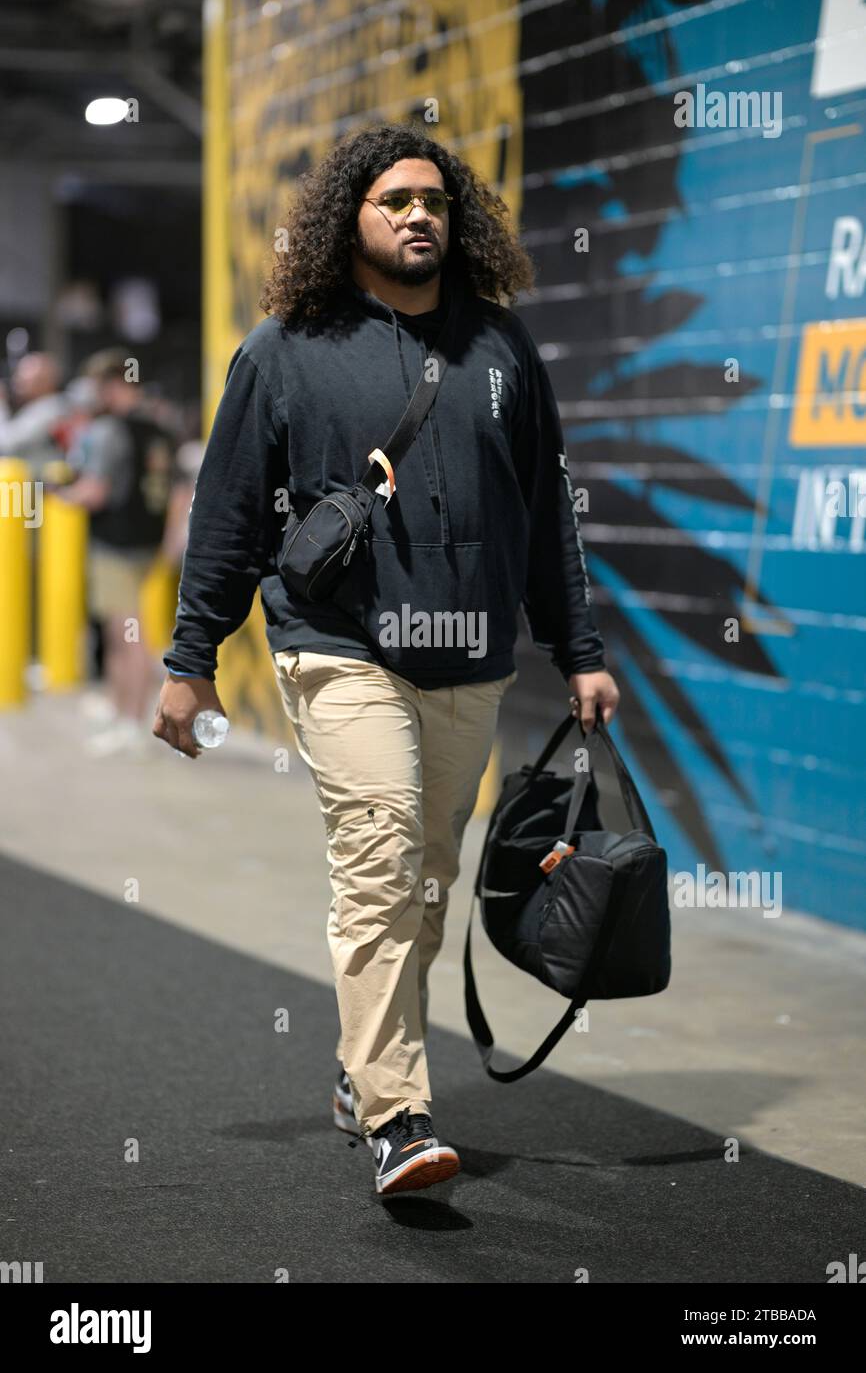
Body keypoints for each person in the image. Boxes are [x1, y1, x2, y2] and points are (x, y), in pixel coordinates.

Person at [153, 122, 620, 1196]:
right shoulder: (284, 351)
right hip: (341, 650)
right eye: (393, 200)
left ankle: (352, 1066)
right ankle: (398, 1115)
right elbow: (227, 514)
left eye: (434, 202)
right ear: (347, 222)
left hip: (470, 658)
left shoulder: (500, 347)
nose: (419, 216)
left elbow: (544, 508)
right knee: (380, 858)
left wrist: (578, 647)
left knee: (425, 881)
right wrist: (190, 660)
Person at [61, 349, 176, 755]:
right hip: (148, 544)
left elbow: (95, 492)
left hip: (115, 546)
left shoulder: (111, 430)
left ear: (113, 385)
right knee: (121, 632)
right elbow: (178, 490)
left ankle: (132, 722)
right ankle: (116, 707)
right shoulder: (160, 427)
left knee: (127, 637)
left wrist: (56, 495)